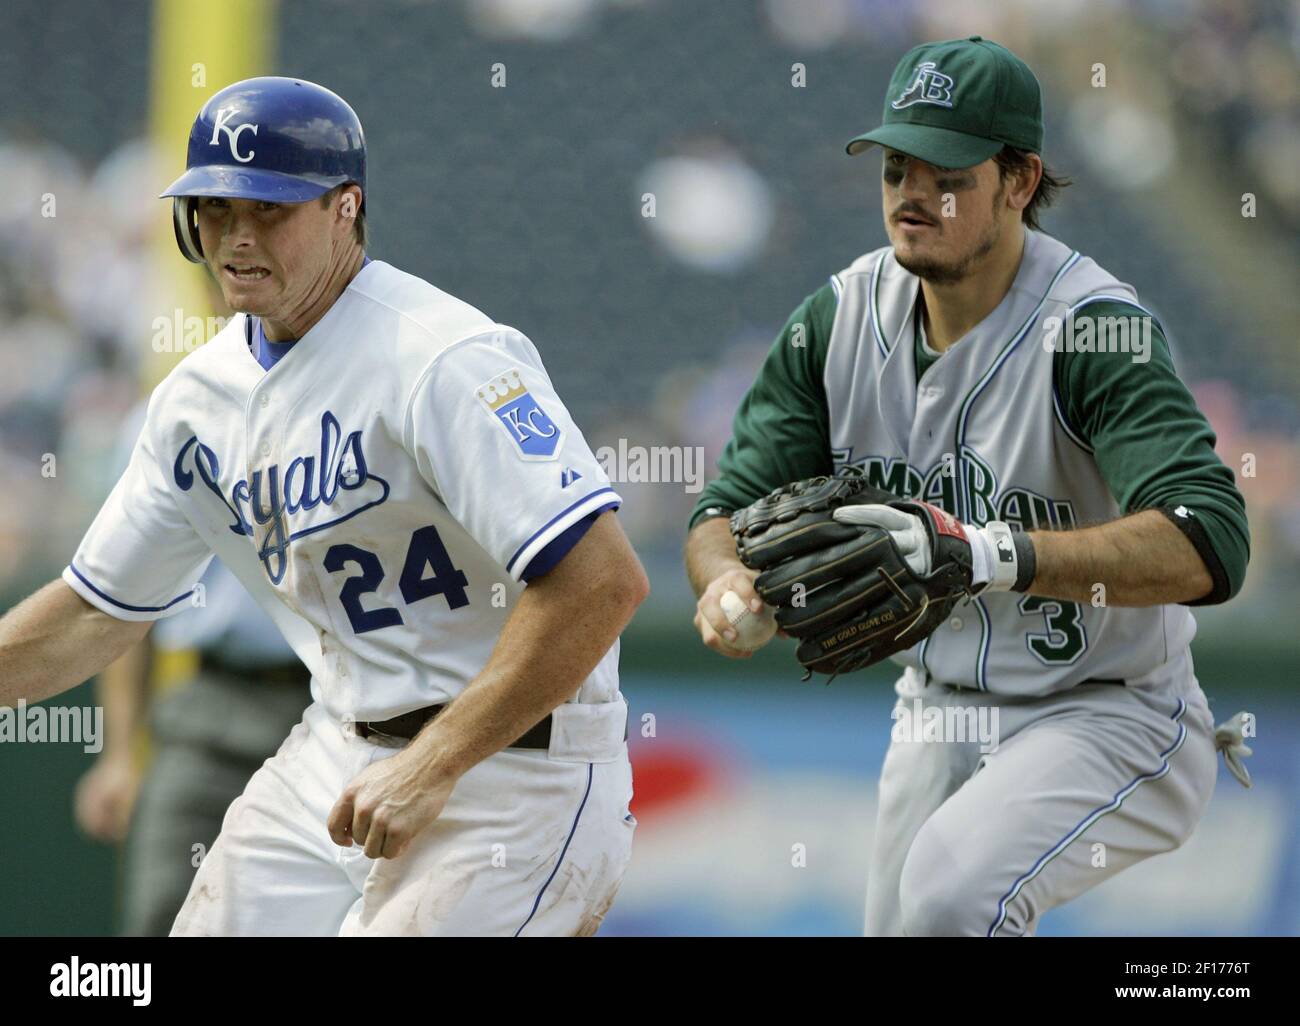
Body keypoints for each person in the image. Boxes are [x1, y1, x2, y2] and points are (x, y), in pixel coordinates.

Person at [1, 76, 647, 937]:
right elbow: (93, 614)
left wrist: (433, 764)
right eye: (213, 209)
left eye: (268, 209)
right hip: (335, 748)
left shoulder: (442, 356)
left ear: (346, 209)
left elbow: (603, 583)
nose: (235, 236)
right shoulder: (196, 399)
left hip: (517, 769)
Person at [685, 37, 1251, 936]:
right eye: (897, 165)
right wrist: (726, 582)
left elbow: (1209, 538)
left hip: (1111, 709)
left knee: (951, 894)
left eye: (945, 169)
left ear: (1020, 181)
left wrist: (986, 552)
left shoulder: (1094, 332)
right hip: (938, 709)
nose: (913, 192)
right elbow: (723, 510)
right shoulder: (834, 322)